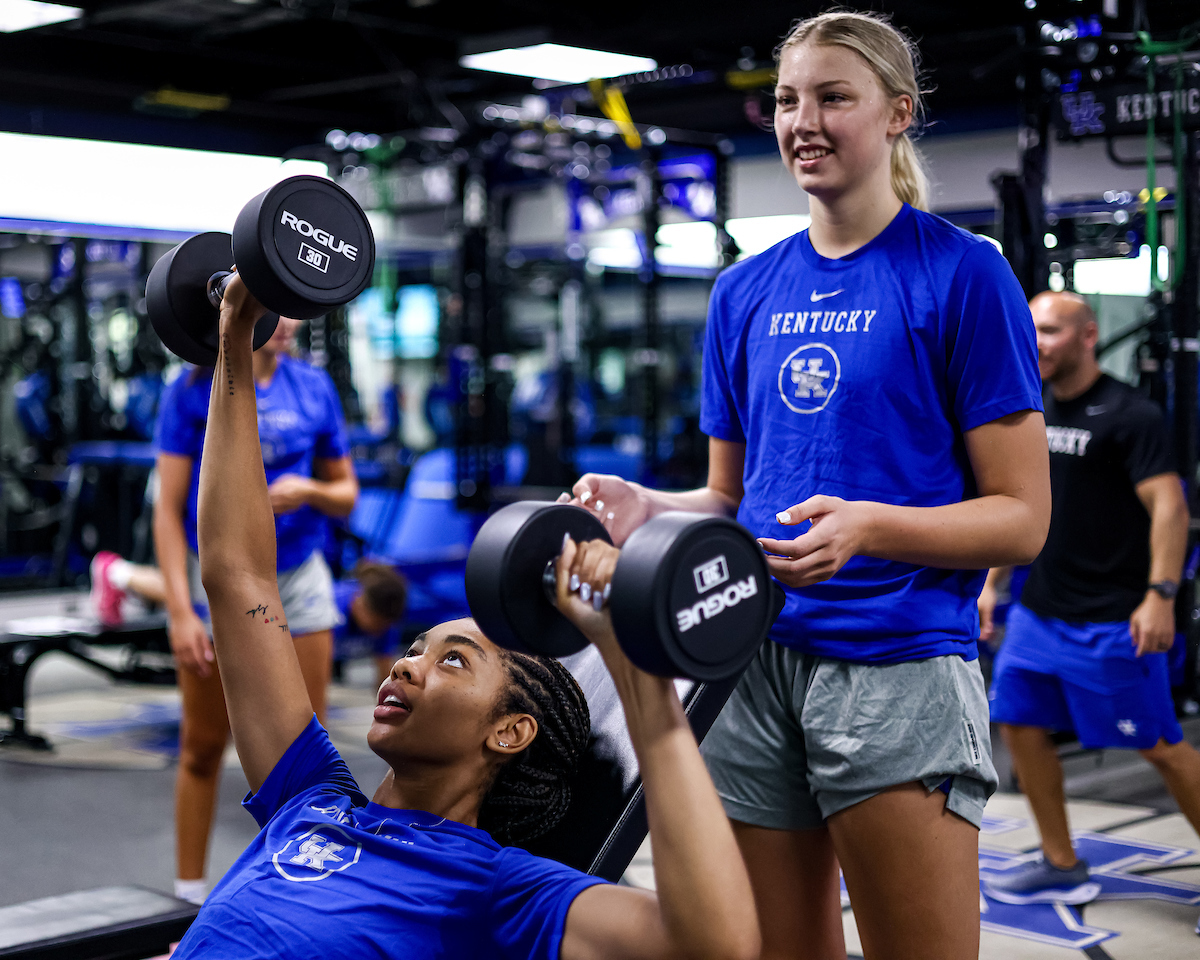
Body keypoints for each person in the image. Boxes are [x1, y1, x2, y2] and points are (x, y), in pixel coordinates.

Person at [560, 11, 1050, 959]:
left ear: (898, 114)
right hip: (748, 660)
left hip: (897, 667)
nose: (803, 122)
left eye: (834, 97)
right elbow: (729, 501)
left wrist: (873, 527)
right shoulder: (743, 290)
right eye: (788, 100)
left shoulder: (962, 276)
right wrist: (651, 507)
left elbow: (1022, 520)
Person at [169, 272, 760, 960]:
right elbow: (237, 572)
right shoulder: (308, 798)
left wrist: (638, 673)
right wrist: (236, 339)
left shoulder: (497, 887)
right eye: (419, 648)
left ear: (510, 732)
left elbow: (712, 945)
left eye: (452, 660)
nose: (407, 665)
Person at [979, 291, 1200, 910]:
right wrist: (993, 584)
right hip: (1039, 613)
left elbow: (1170, 507)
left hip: (1113, 620)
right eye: (1031, 332)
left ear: (1087, 335)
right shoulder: (1028, 408)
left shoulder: (1131, 415)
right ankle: (1061, 863)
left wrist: (1160, 595)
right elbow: (1016, 504)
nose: (1038, 343)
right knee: (1019, 726)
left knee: (1159, 745)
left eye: (1049, 331)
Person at [152, 314, 358, 904]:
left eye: (296, 308)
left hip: (297, 576)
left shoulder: (313, 387)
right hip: (219, 578)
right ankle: (186, 899)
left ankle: (294, 898)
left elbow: (346, 496)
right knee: (201, 745)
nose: (290, 321)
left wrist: (309, 492)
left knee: (302, 756)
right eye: (276, 306)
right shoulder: (192, 391)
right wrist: (179, 611)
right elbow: (168, 511)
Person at [89, 553, 406, 688]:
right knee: (188, 593)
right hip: (261, 607)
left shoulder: (384, 622)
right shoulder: (326, 609)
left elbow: (383, 679)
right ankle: (114, 570)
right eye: (375, 620)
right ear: (359, 601)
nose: (378, 629)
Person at [331, 559, 409, 685]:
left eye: (386, 624)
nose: (381, 630)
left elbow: (385, 678)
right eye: (377, 623)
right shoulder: (331, 612)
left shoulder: (386, 624)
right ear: (361, 604)